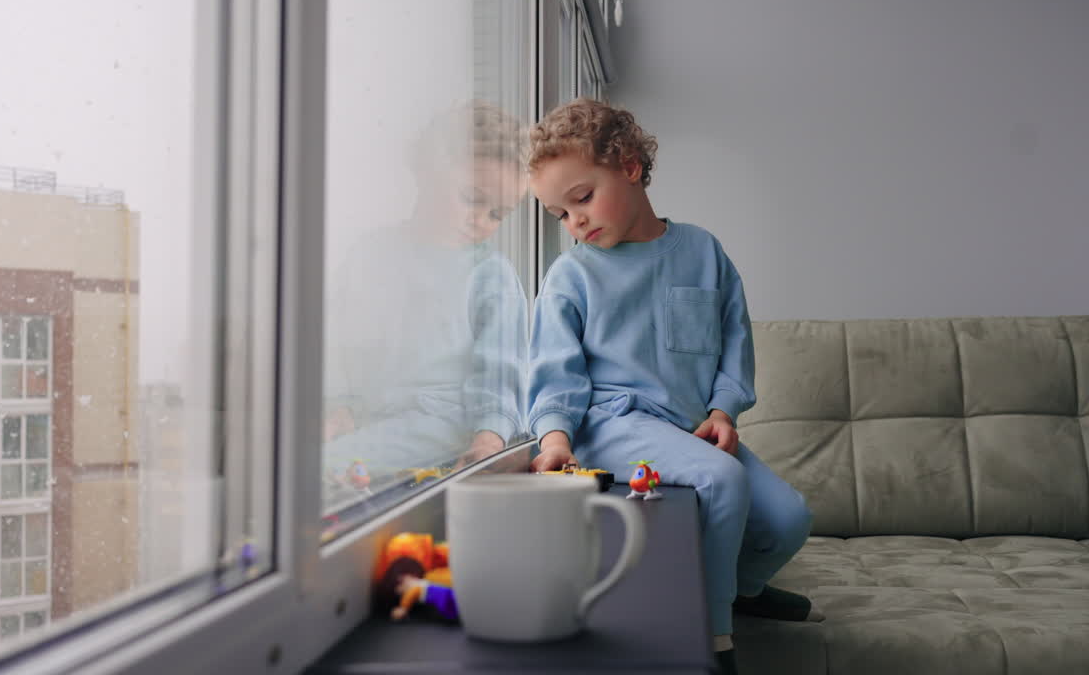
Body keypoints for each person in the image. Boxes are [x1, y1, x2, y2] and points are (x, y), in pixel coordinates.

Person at [524, 98, 821, 674]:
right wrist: (555, 437)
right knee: (721, 479)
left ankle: (741, 589)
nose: (574, 221)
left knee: (790, 519)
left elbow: (734, 342)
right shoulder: (571, 274)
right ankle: (710, 636)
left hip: (687, 427)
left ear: (630, 166)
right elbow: (555, 369)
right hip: (611, 424)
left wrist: (723, 410)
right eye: (559, 213)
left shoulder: (704, 251)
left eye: (582, 198)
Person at [321, 100, 529, 511]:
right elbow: (333, 340)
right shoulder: (369, 253)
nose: (481, 220)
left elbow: (501, 371)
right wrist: (338, 404)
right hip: (366, 417)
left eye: (497, 213)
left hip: (442, 426)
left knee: (318, 466)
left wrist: (490, 436)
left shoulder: (491, 275)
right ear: (427, 169)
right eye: (471, 198)